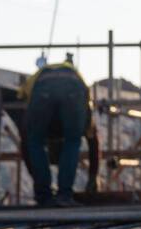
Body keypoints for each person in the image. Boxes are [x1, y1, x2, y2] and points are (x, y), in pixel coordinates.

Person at [20, 54, 91, 207]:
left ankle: (44, 196)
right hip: (75, 91)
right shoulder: (76, 76)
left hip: (42, 90)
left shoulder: (39, 74)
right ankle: (64, 195)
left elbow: (23, 96)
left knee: (35, 141)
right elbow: (92, 137)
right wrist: (92, 178)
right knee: (72, 141)